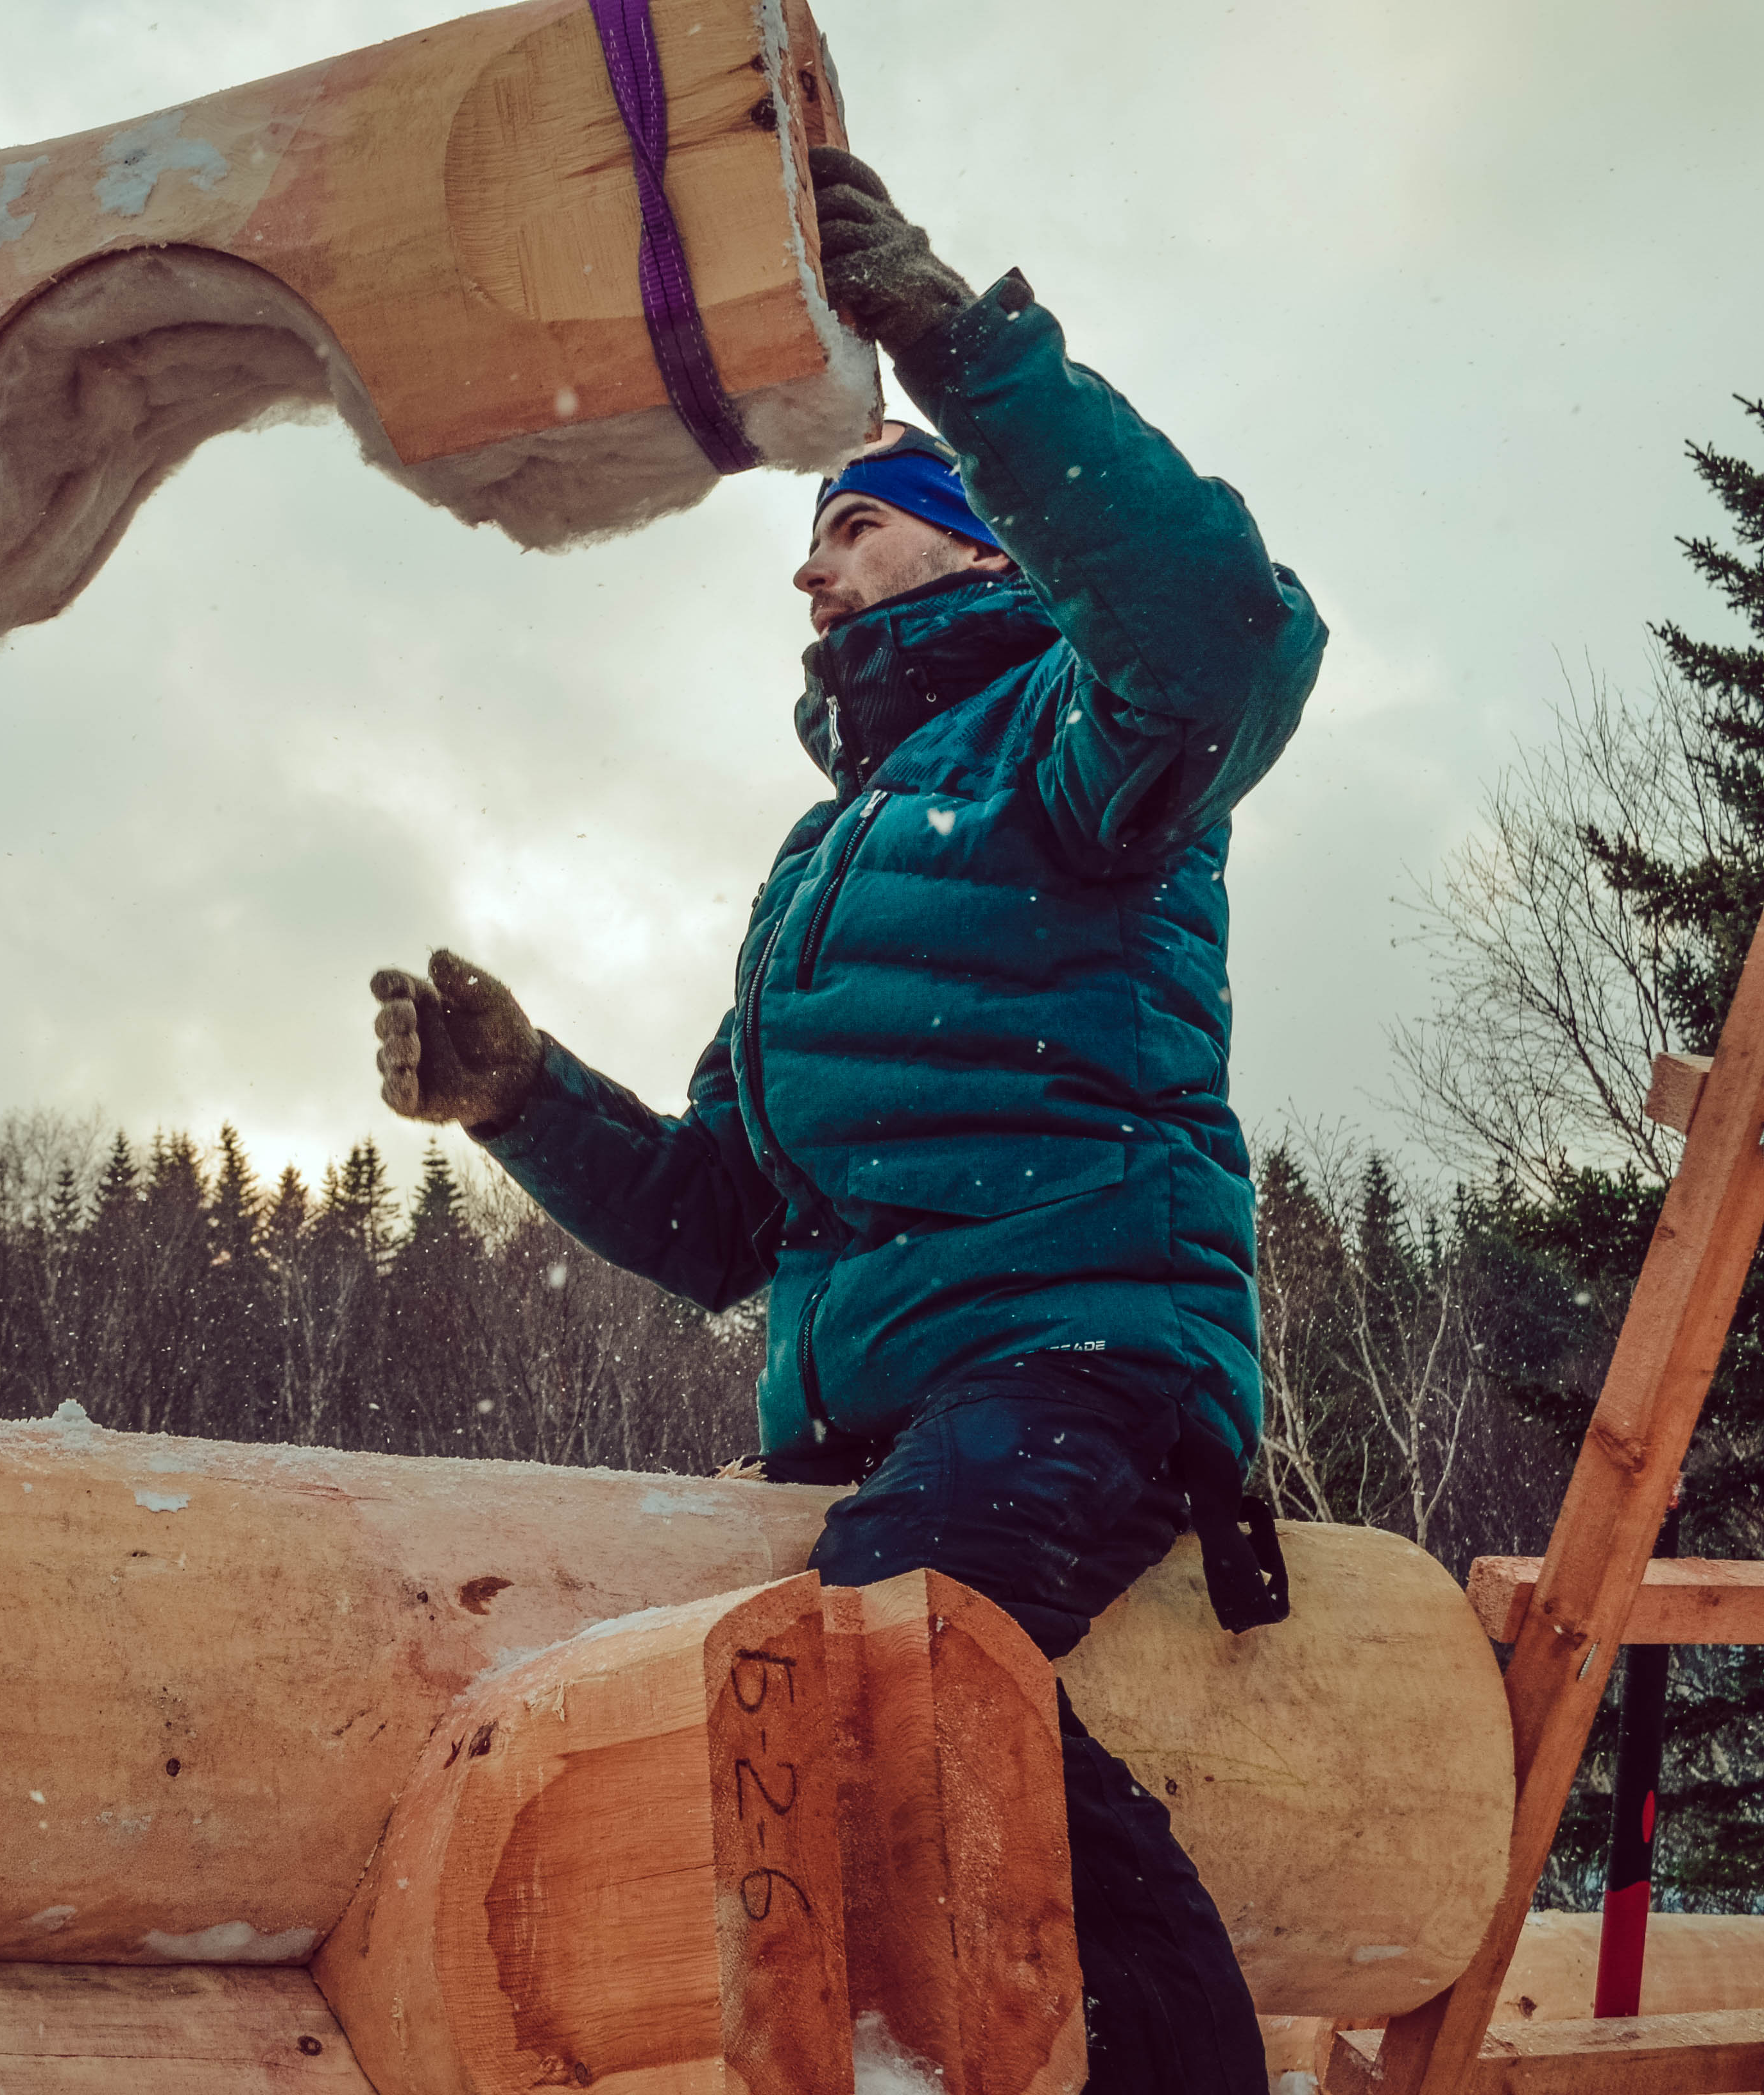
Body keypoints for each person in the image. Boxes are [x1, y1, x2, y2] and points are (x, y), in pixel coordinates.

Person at [364, 147, 1321, 2092]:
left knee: (888, 1654)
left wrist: (957, 355)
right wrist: (523, 1103)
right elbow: (720, 1222)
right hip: (880, 1422)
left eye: (852, 530)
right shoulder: (823, 869)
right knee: (739, 1699)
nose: (807, 574)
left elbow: (1229, 631)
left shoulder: (1079, 746)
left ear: (977, 546)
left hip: (1077, 1361)